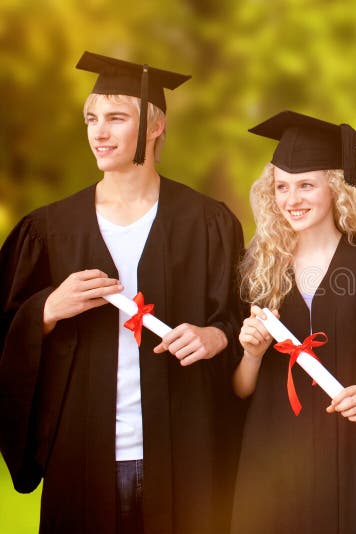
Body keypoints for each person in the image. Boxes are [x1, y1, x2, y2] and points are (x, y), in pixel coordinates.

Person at [0, 52, 244, 533]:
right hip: (81, 458)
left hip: (186, 460)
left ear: (155, 126)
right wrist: (45, 311)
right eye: (92, 119)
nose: (99, 132)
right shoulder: (48, 230)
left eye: (116, 118)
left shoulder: (208, 223)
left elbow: (245, 322)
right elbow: (5, 333)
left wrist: (216, 336)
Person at [230, 111, 356, 533]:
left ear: (336, 188)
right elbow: (239, 389)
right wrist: (252, 354)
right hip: (275, 459)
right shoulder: (259, 272)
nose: (292, 199)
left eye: (306, 185)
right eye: (282, 187)